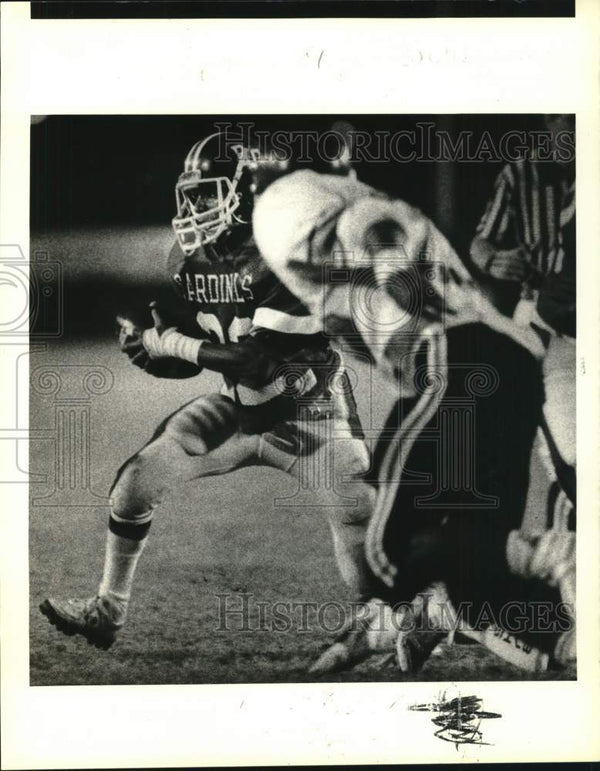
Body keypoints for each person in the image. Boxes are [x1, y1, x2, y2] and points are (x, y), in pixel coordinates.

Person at [40, 132, 375, 650]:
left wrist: (166, 342)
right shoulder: (190, 259)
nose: (194, 207)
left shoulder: (283, 250)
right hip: (239, 409)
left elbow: (257, 362)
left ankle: (388, 621)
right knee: (134, 485)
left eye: (207, 193)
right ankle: (108, 609)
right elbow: (190, 354)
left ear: (246, 190)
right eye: (190, 195)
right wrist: (150, 353)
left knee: (358, 513)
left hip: (311, 412)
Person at [251, 164, 576, 674]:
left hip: (460, 360)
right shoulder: (336, 259)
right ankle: (571, 637)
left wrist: (391, 270)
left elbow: (369, 227)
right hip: (501, 367)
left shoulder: (318, 211)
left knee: (386, 551)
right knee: (475, 588)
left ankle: (560, 553)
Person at [470, 114, 576, 528]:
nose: (570, 126)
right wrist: (495, 260)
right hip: (540, 311)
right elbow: (481, 242)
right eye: (561, 118)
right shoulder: (521, 172)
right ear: (548, 122)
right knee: (528, 430)